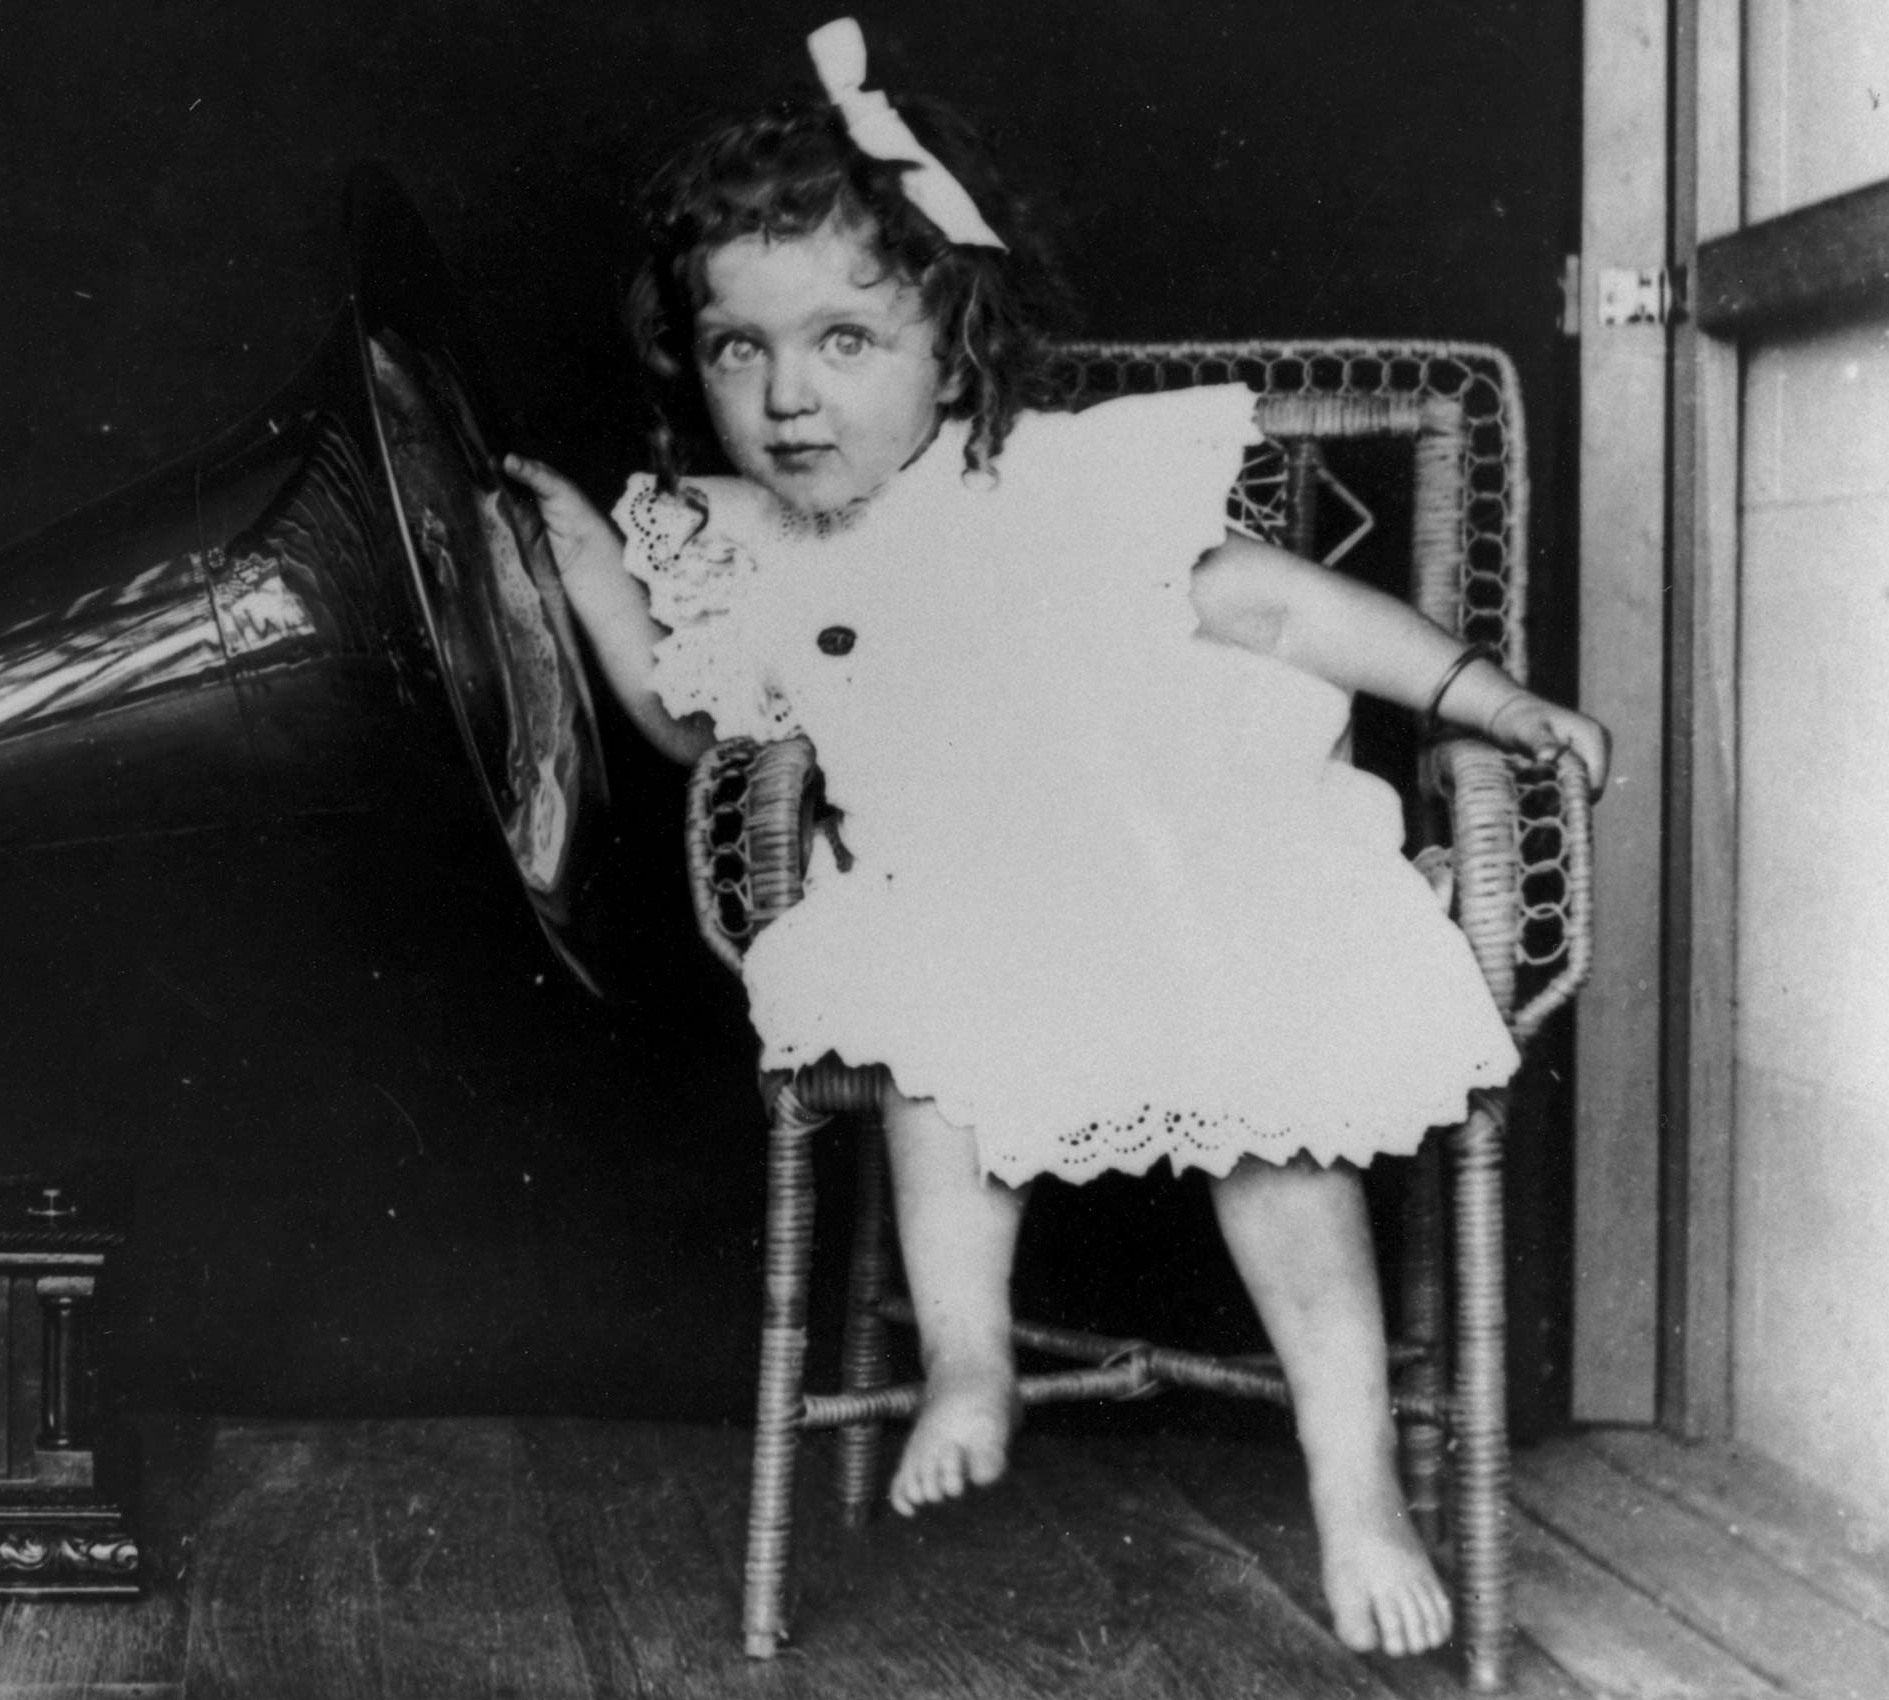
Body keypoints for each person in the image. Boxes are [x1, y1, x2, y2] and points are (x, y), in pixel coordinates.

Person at [503, 17, 1610, 1663]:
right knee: (933, 1051)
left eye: (843, 340)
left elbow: (1271, 603)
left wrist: (1485, 695)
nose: (789, 394)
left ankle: (1353, 1468)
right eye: (740, 350)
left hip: (1199, 861)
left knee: (1278, 1124)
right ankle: (970, 1355)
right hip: (966, 891)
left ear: (951, 349)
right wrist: (593, 574)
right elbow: (700, 729)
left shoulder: (1054, 482)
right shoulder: (746, 545)